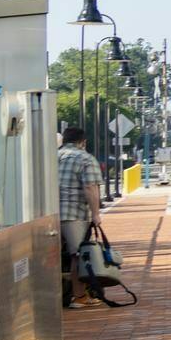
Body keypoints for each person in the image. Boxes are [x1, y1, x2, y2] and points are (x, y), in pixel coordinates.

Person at [58, 125, 106, 310]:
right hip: (74, 214)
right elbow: (90, 188)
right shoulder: (85, 158)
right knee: (78, 255)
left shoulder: (50, 157)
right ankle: (78, 297)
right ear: (83, 142)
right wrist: (96, 214)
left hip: (47, 215)